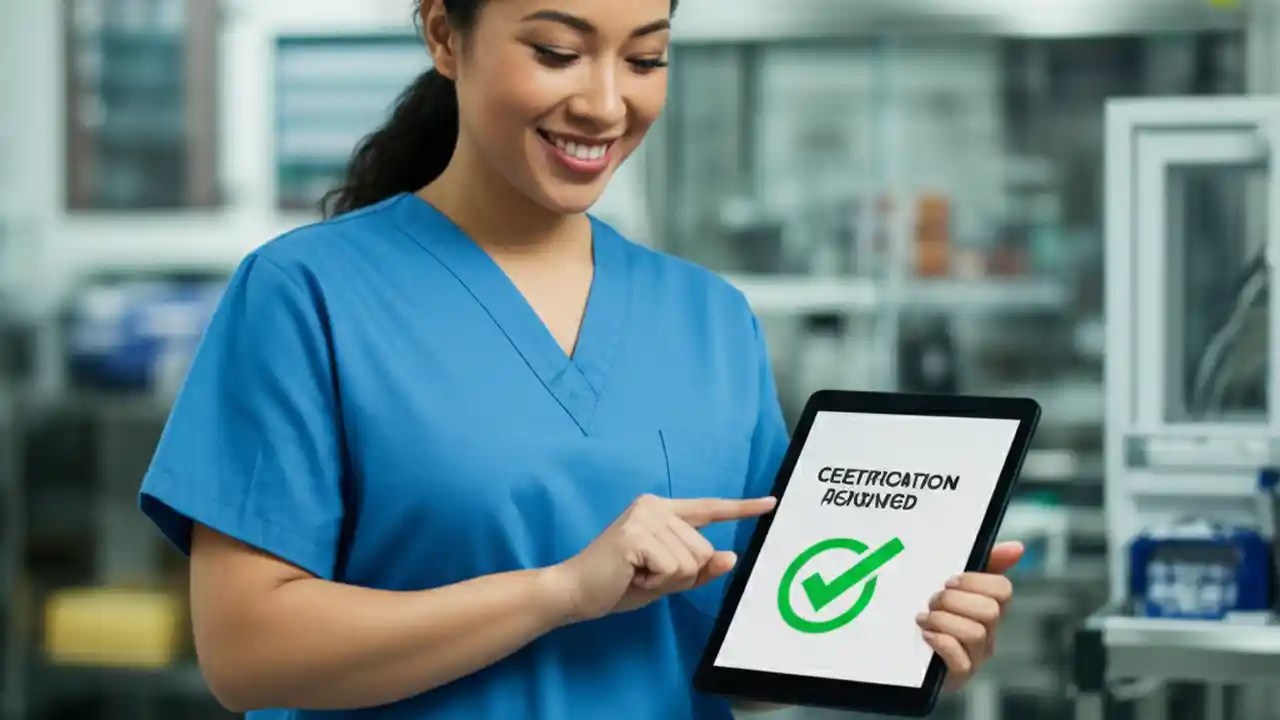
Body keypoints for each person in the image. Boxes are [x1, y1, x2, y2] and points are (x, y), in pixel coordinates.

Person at [137, 0, 1024, 718]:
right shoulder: (306, 294)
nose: (606, 103)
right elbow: (247, 656)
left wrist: (909, 634)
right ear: (446, 35)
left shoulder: (709, 318)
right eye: (558, 51)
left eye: (644, 59)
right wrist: (559, 592)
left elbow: (737, 660)